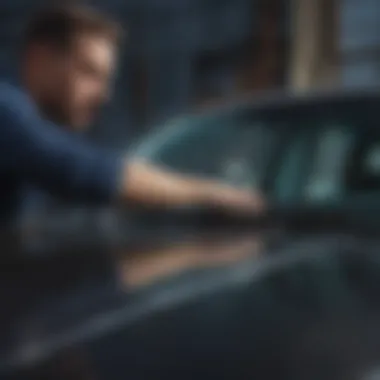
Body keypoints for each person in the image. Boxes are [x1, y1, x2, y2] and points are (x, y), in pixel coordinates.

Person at [0, 4, 264, 225]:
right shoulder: (7, 111)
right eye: (89, 72)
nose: (104, 96)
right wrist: (215, 195)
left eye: (106, 80)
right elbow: (83, 171)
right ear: (40, 57)